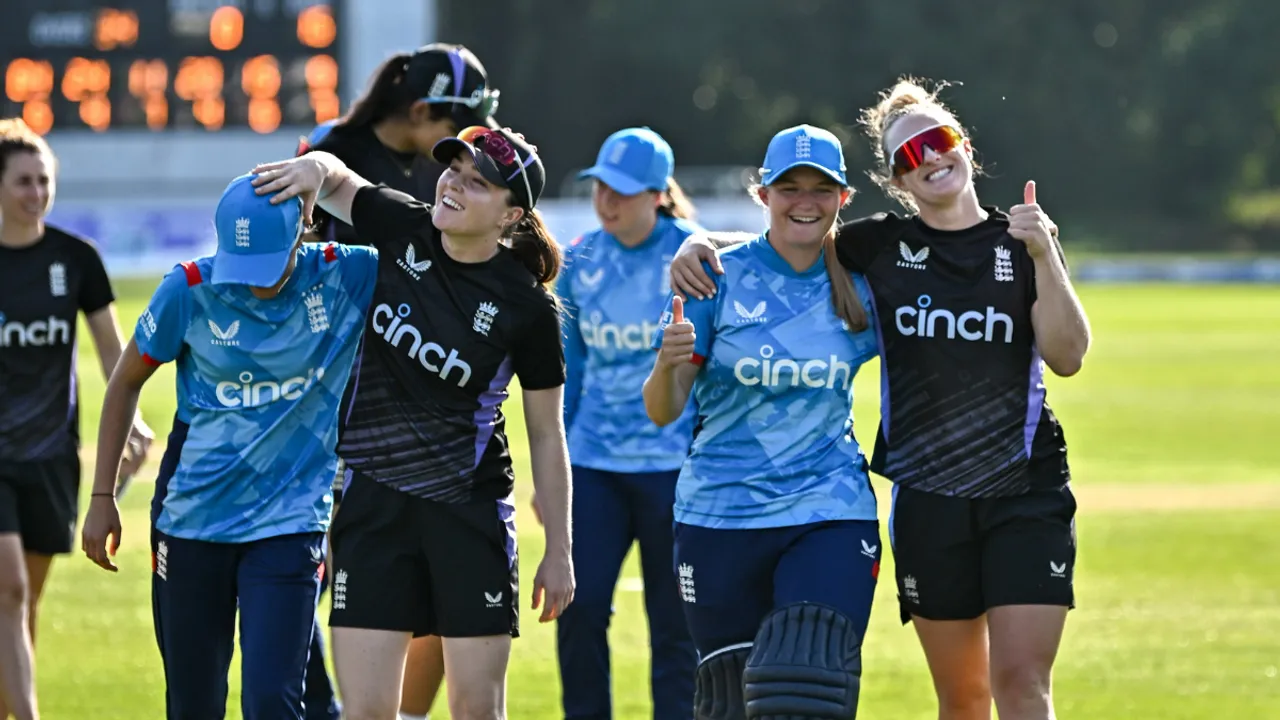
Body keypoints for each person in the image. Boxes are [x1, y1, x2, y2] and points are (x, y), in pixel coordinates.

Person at [668, 79, 1092, 720]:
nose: (927, 158)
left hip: (1025, 488)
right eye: (906, 158)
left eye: (938, 140)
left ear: (965, 147)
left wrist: (1044, 253)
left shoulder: (1024, 240)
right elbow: (793, 234)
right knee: (964, 694)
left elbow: (1068, 357)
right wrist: (699, 242)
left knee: (1023, 681)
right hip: (929, 496)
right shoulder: (879, 248)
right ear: (897, 182)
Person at [250, 124, 575, 720]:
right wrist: (311, 173)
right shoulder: (404, 226)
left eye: (478, 184)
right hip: (373, 507)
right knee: (367, 712)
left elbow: (547, 434)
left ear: (509, 217)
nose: (454, 185)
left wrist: (559, 549)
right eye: (454, 170)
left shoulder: (527, 308)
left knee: (476, 710)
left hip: (467, 516)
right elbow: (338, 178)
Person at [80, 174, 380, 720]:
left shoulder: (347, 273)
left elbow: (425, 242)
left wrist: (328, 171)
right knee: (194, 705)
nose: (255, 284)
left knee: (273, 701)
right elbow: (125, 382)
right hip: (191, 521)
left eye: (270, 263)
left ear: (301, 233)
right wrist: (103, 497)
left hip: (290, 525)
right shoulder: (190, 287)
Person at [643, 125, 881, 720]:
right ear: (763, 195)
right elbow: (663, 409)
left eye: (821, 189)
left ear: (843, 198)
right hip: (718, 514)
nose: (805, 201)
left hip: (828, 508)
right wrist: (669, 365)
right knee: (729, 700)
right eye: (789, 187)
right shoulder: (713, 276)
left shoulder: (865, 288)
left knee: (806, 684)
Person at [300, 46, 502, 719]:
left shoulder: (420, 169)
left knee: (436, 596)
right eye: (459, 122)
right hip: (334, 403)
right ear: (421, 111)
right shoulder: (336, 154)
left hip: (408, 402)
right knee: (320, 571)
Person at [0, 118, 153, 720]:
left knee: (23, 605)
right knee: (9, 591)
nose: (35, 193)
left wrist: (134, 421)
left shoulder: (76, 259)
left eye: (43, 181)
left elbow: (115, 355)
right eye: (22, 182)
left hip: (51, 458)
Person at [552, 127, 700, 719]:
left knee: (675, 626)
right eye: (600, 187)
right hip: (593, 470)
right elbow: (569, 377)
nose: (607, 201)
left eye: (623, 190)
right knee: (579, 614)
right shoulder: (580, 260)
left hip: (674, 472)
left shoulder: (693, 253)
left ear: (658, 194)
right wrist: (555, 478)